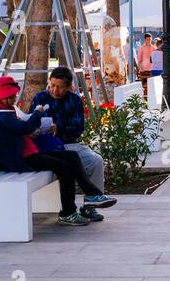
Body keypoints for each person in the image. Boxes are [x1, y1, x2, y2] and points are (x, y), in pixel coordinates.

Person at [0, 75, 111, 227]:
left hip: (28, 152)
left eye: (14, 95)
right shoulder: (0, 115)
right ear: (2, 96)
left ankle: (91, 194)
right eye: (10, 97)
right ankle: (68, 212)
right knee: (65, 168)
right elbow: (25, 127)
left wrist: (34, 130)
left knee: (71, 156)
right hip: (20, 159)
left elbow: (21, 130)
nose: (13, 99)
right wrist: (38, 113)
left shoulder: (5, 109)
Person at [31, 66, 116, 220]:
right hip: (46, 146)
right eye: (52, 85)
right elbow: (31, 124)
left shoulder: (74, 100)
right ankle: (75, 208)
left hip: (67, 143)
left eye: (60, 87)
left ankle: (90, 206)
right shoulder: (39, 98)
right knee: (69, 162)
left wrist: (59, 128)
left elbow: (77, 128)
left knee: (96, 160)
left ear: (69, 87)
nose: (55, 91)